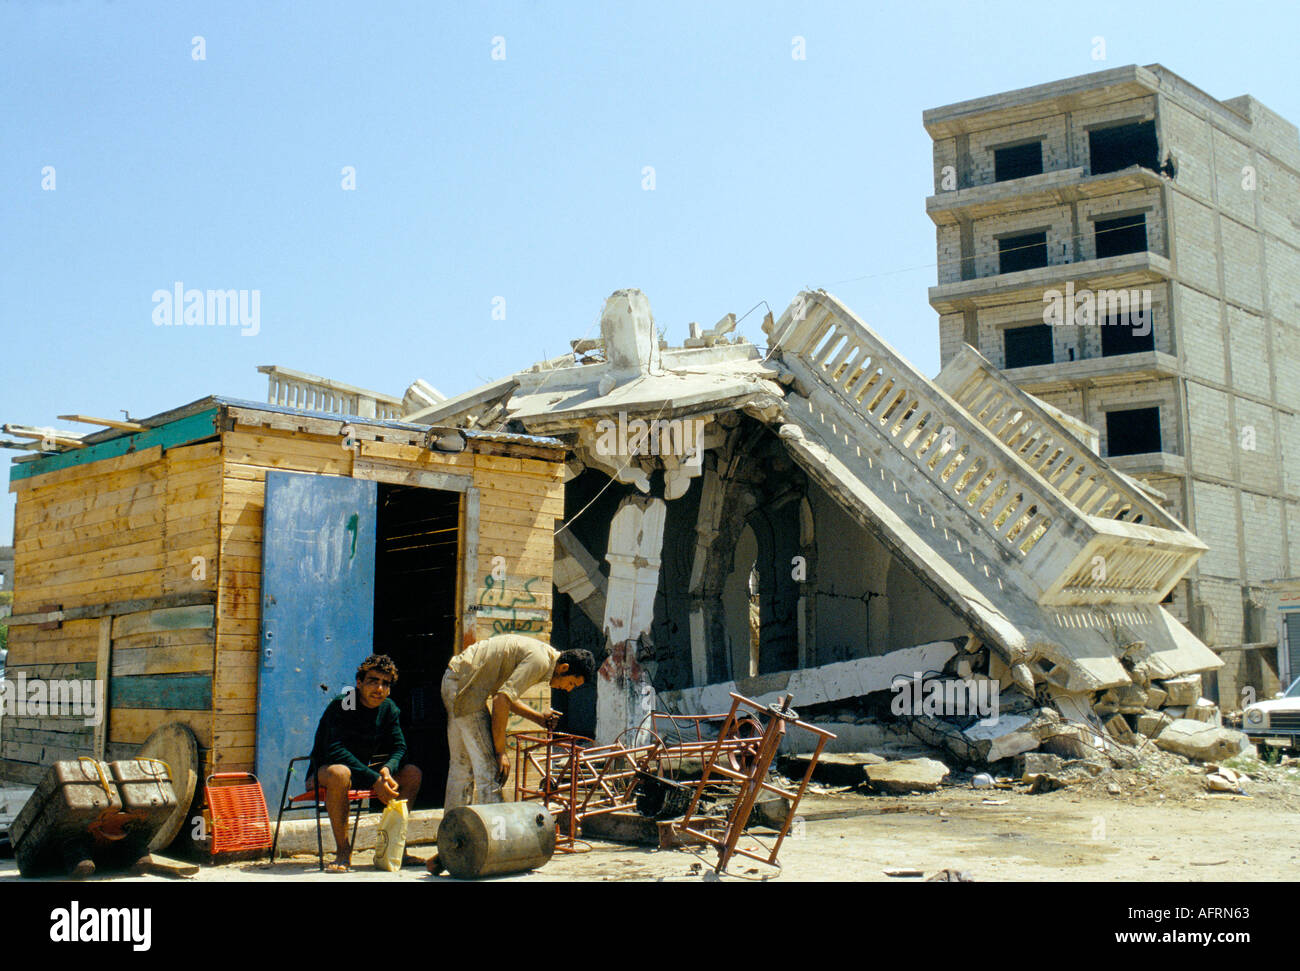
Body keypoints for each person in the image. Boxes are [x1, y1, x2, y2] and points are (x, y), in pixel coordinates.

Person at [441, 633, 595, 810]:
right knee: (492, 769)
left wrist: (538, 718)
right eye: (572, 683)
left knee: (461, 767)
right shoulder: (541, 661)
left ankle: (452, 832)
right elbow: (501, 700)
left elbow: (505, 695)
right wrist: (500, 753)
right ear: (564, 668)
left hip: (453, 680)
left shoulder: (543, 656)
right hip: (466, 688)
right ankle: (496, 834)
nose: (568, 690)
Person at [306, 654, 423, 872]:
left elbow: (400, 748)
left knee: (412, 773)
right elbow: (335, 750)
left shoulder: (388, 708)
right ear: (359, 683)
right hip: (324, 773)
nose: (379, 688)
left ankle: (397, 849)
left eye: (385, 684)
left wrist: (387, 770)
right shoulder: (346, 703)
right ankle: (343, 852)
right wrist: (375, 779)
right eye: (373, 681)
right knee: (340, 773)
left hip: (362, 773)